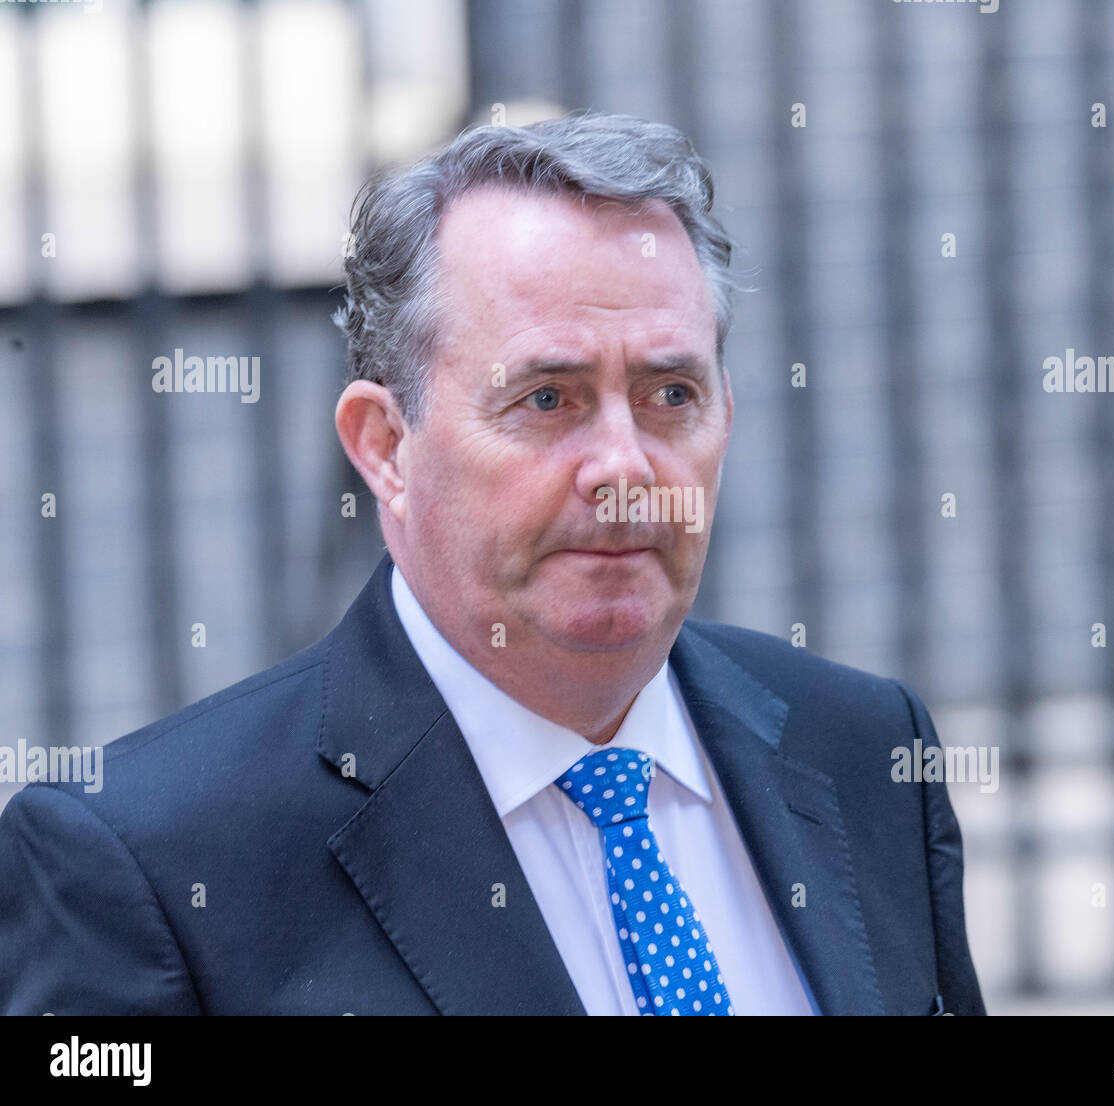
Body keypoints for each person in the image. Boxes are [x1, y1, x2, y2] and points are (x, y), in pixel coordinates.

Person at [0, 111, 984, 1016]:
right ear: (385, 444)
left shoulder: (863, 748)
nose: (623, 466)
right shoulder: (148, 866)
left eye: (670, 393)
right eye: (547, 399)